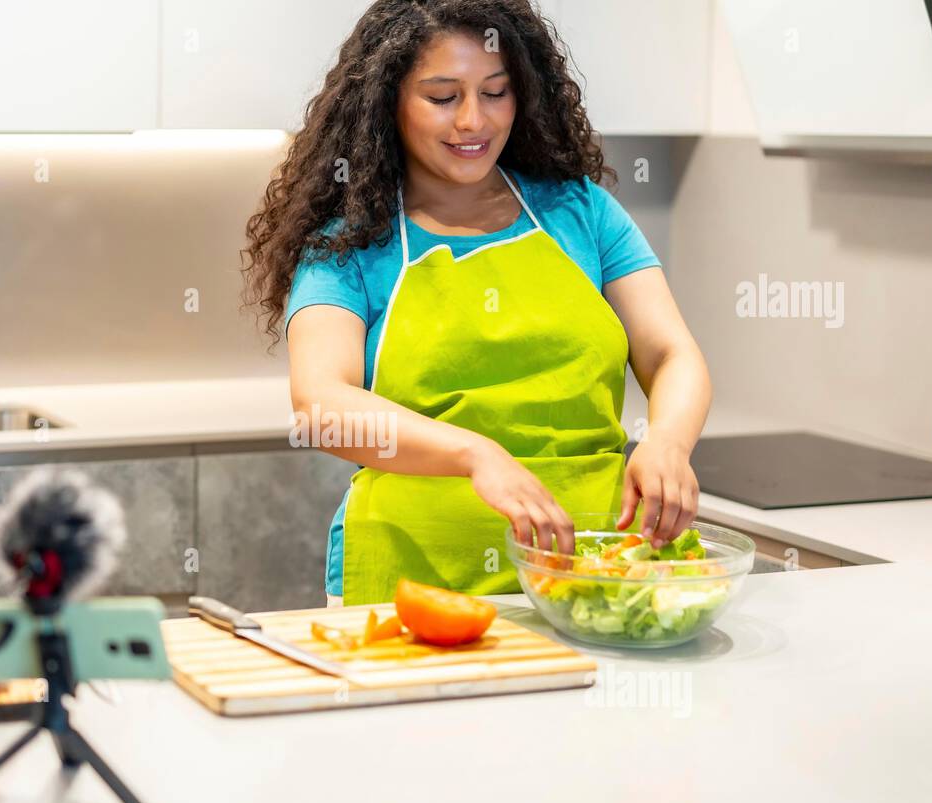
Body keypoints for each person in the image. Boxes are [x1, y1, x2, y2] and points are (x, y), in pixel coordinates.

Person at [242, 0, 711, 606]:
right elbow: (320, 405)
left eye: (496, 92)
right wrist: (474, 455)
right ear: (389, 103)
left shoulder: (580, 211)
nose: (474, 120)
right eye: (442, 98)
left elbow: (672, 352)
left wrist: (668, 441)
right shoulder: (351, 243)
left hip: (593, 573)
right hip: (410, 585)